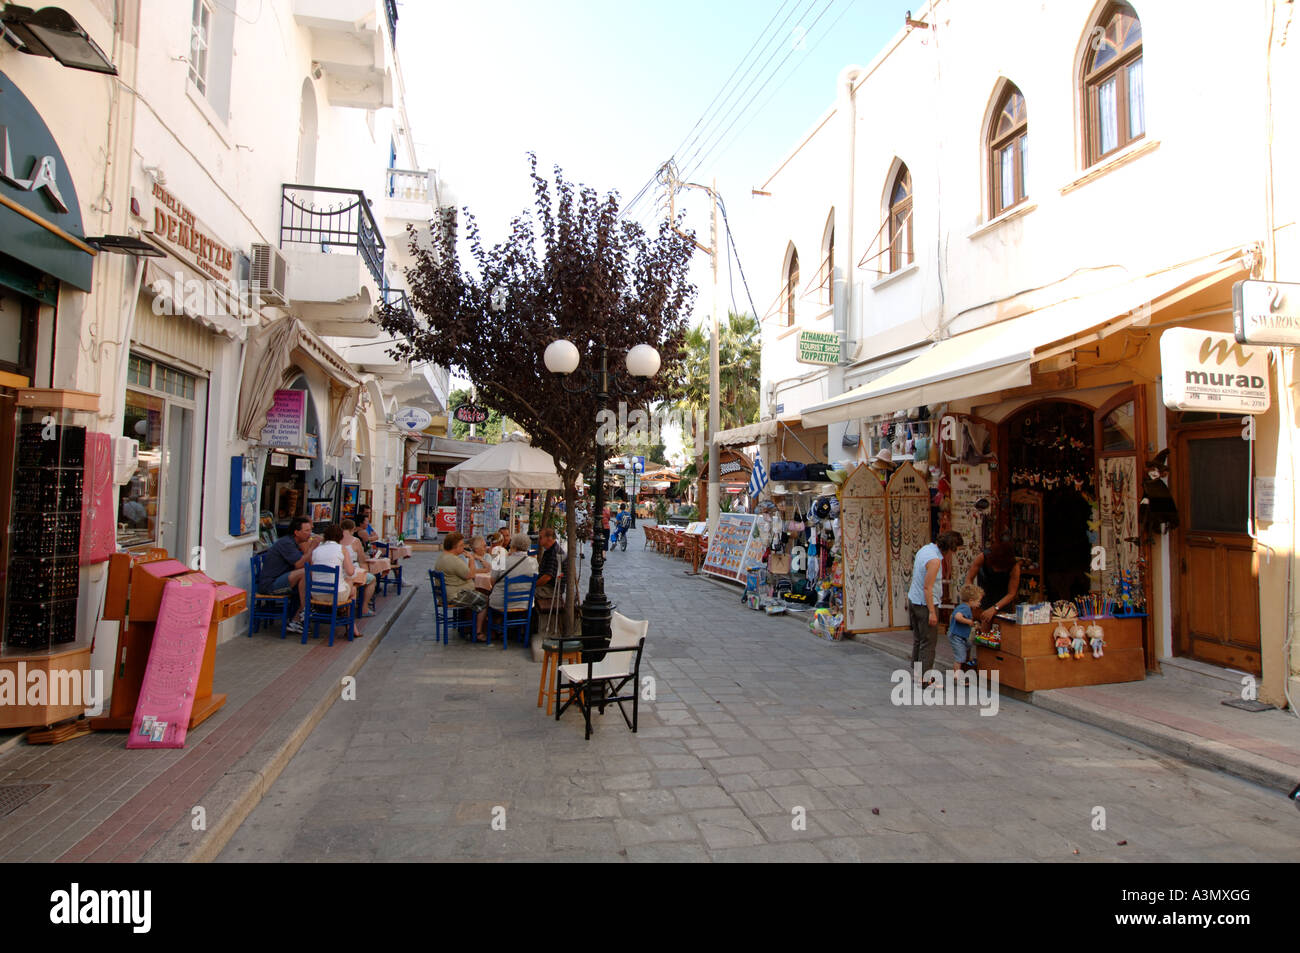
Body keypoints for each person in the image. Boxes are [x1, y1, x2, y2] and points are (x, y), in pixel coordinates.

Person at [907, 530, 964, 684]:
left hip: (914, 599)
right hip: (925, 604)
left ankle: (917, 673)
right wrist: (932, 612)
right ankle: (924, 677)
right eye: (954, 550)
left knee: (919, 639)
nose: (953, 554)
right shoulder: (935, 561)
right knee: (929, 641)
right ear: (950, 548)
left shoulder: (925, 549)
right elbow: (928, 587)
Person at [257, 515, 319, 635]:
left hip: (281, 579)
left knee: (308, 583)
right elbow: (299, 564)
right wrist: (312, 548)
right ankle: (305, 610)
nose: (310, 533)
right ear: (296, 532)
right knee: (305, 573)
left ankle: (295, 621)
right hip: (270, 585)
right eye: (306, 531)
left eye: (310, 530)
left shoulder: (294, 543)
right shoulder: (286, 543)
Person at [299, 523, 360, 634]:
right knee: (352, 587)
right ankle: (351, 626)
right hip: (336, 595)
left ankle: (346, 620)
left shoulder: (316, 550)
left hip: (316, 594)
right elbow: (350, 572)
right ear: (340, 537)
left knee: (344, 585)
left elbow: (312, 573)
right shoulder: (341, 549)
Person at [434, 532, 488, 640]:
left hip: (447, 593)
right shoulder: (453, 560)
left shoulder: (442, 557)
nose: (464, 547)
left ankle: (470, 627)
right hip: (455, 595)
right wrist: (471, 559)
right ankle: (478, 632)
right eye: (462, 545)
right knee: (486, 600)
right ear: (455, 547)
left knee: (478, 598)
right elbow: (470, 574)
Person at [964, 540, 1021, 631]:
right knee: (984, 627)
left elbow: (1011, 593)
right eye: (994, 566)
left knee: (1003, 630)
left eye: (1000, 568)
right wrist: (972, 597)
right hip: (984, 595)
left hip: (1003, 600)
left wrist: (995, 608)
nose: (996, 570)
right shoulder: (983, 557)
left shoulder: (1014, 566)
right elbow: (969, 578)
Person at [488, 532, 538, 625]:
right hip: (525, 603)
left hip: (502, 602)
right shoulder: (534, 562)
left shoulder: (500, 560)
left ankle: (495, 628)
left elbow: (492, 581)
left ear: (513, 545)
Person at [340, 519, 378, 618]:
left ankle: (344, 607)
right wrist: (366, 572)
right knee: (372, 579)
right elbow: (362, 560)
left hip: (338, 573)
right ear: (353, 529)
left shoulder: (335, 539)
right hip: (350, 572)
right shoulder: (355, 541)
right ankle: (364, 608)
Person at [948, 582, 983, 674]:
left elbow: (952, 616)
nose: (979, 604)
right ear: (971, 600)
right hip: (957, 636)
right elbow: (957, 617)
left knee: (968, 645)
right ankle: (957, 676)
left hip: (958, 635)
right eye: (978, 601)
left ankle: (966, 664)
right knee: (960, 658)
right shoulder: (965, 608)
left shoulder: (961, 606)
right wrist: (969, 622)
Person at [536, 527, 563, 604]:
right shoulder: (550, 550)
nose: (539, 539)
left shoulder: (554, 552)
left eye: (541, 537)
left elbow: (547, 577)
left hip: (552, 589)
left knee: (527, 592)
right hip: (548, 586)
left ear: (549, 538)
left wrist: (533, 585)